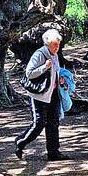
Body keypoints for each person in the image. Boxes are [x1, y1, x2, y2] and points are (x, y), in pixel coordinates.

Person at [15, 28, 68, 161]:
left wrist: (60, 79)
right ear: (47, 44)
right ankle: (21, 142)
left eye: (58, 44)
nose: (57, 47)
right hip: (39, 95)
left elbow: (55, 71)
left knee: (53, 123)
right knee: (38, 124)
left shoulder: (55, 55)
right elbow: (29, 73)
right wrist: (44, 66)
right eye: (55, 45)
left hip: (53, 94)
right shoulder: (39, 54)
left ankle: (53, 152)